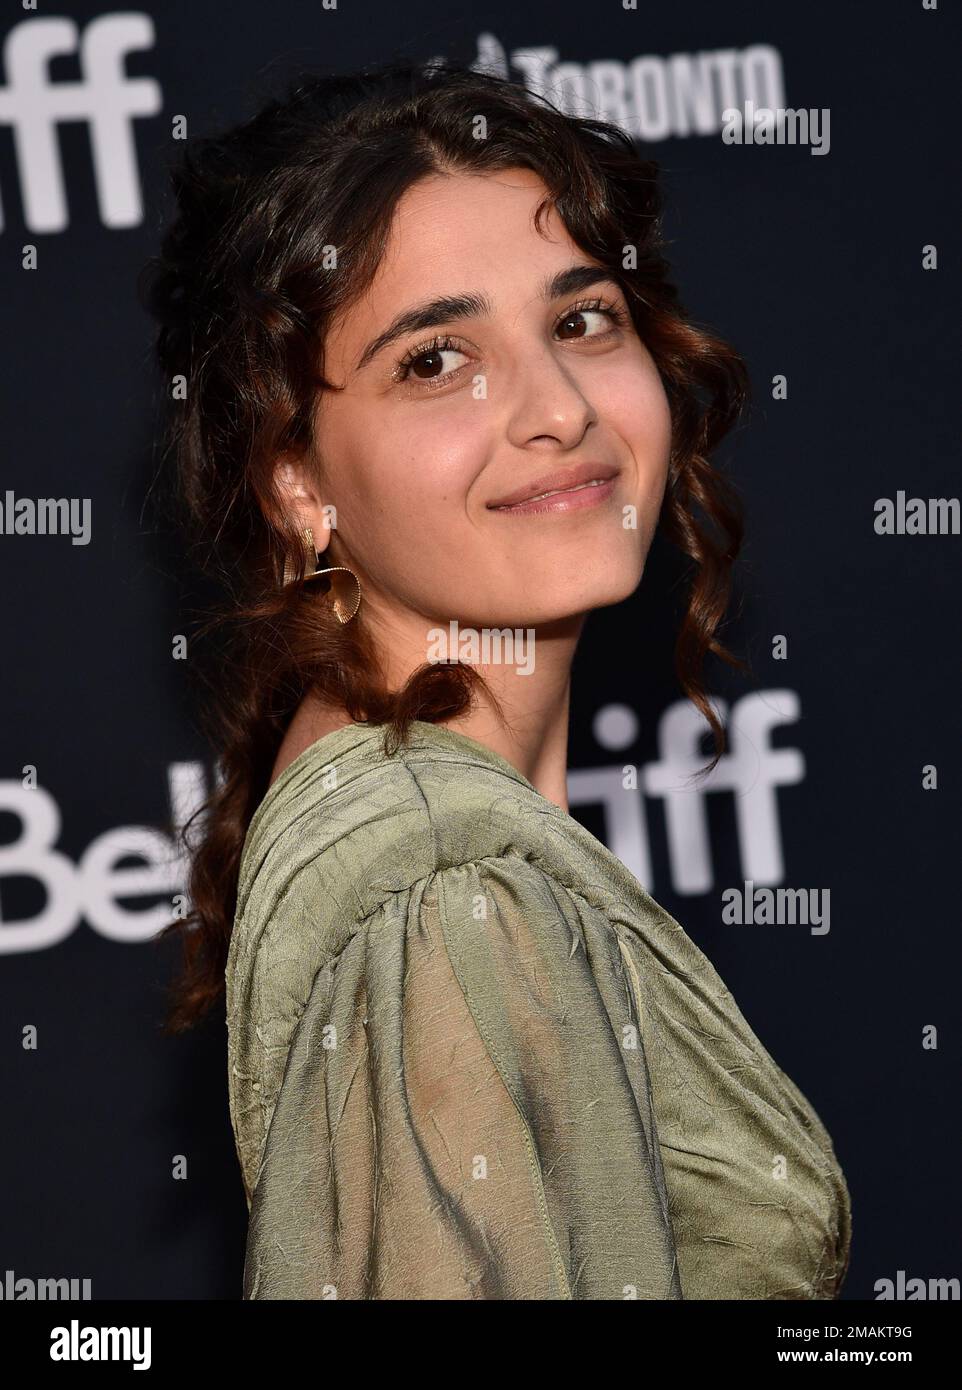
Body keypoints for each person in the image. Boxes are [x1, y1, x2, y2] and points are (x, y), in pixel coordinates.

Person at [143, 56, 851, 1299]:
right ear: (295, 481)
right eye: (434, 360)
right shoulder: (452, 893)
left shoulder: (429, 828)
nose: (557, 408)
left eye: (581, 319)